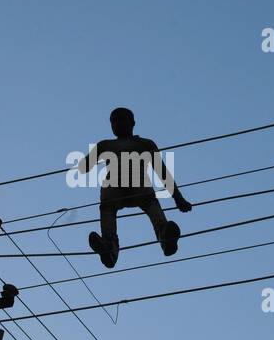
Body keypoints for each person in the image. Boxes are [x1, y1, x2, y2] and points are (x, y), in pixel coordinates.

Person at [77, 107, 193, 268]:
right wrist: (178, 199)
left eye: (121, 119)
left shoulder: (139, 143)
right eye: (113, 120)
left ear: (132, 123)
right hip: (118, 187)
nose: (117, 123)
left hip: (136, 184)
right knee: (109, 206)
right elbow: (84, 166)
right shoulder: (110, 144)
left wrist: (178, 198)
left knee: (146, 204)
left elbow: (162, 171)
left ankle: (164, 235)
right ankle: (110, 245)